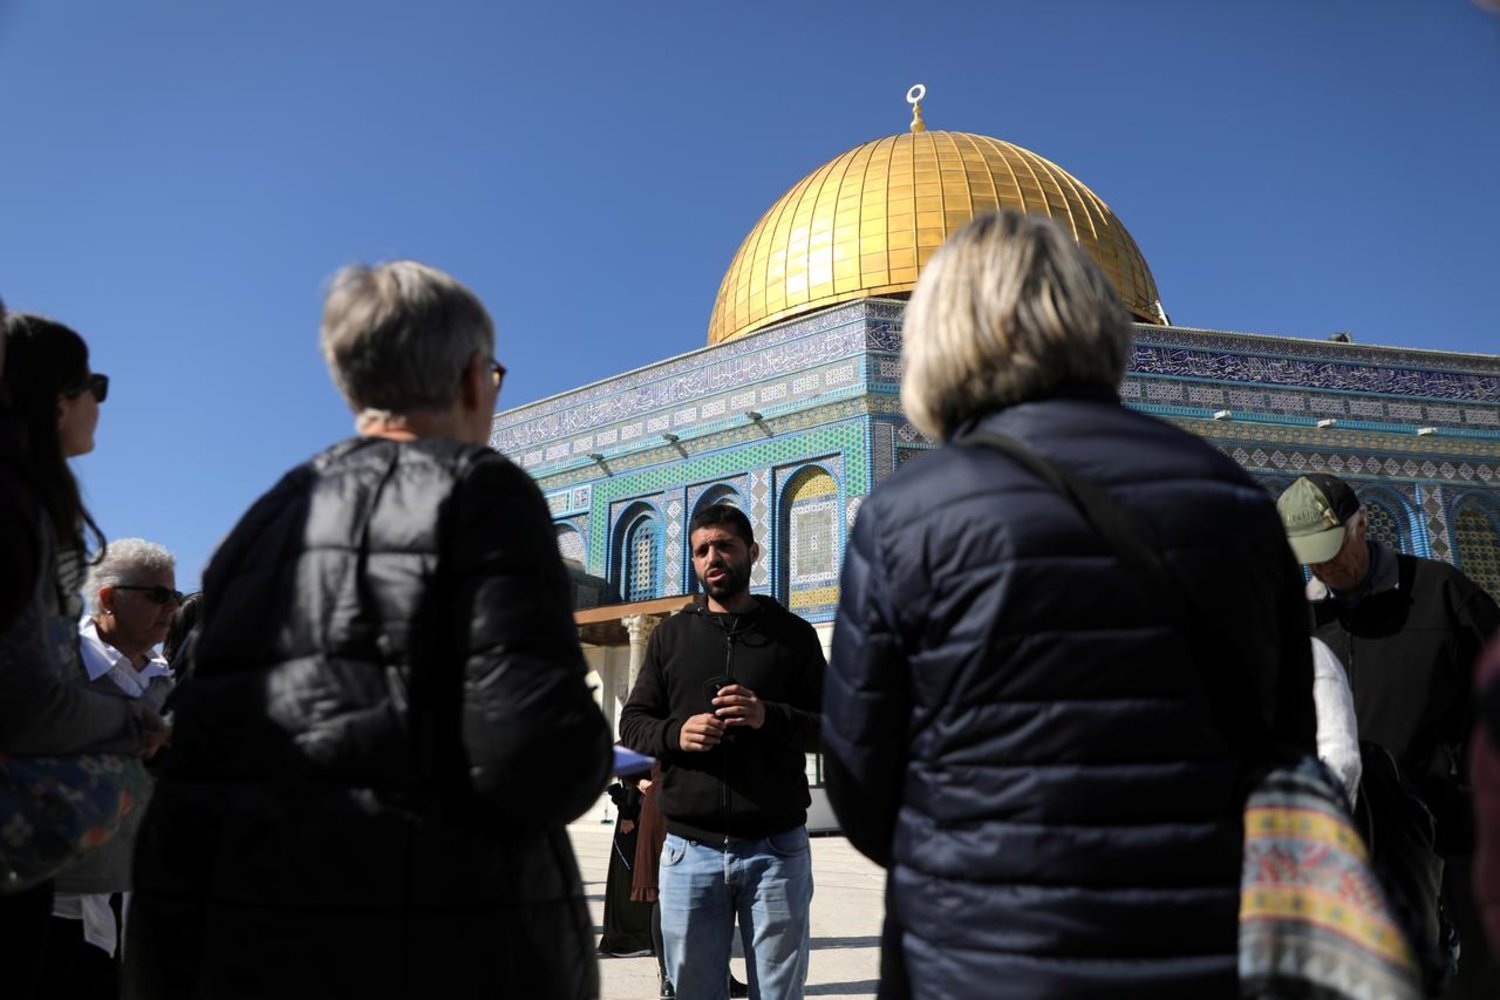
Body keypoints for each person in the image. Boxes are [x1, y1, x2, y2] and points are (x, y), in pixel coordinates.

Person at [824, 210, 1316, 998]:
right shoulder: (1231, 496)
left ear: (938, 338)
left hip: (982, 956)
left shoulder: (907, 514)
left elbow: (860, 781)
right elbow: (1286, 735)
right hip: (1204, 951)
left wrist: (972, 856)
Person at [124, 260, 613, 1000]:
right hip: (448, 943)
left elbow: (193, 771)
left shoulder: (263, 522)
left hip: (266, 944)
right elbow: (532, 760)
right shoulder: (481, 489)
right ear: (476, 377)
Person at [1277, 472, 1500, 996]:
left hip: (1458, 831)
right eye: (1309, 556)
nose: (1324, 566)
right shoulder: (1301, 621)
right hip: (1364, 844)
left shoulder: (1441, 594)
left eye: (1332, 549)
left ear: (1362, 524)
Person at [0, 313, 163, 1000]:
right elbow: (25, 700)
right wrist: (137, 726)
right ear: (56, 398)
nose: (169, 609)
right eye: (93, 383)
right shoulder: (15, 513)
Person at [619, 503, 825, 1000]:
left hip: (775, 850)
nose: (713, 557)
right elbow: (633, 725)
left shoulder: (793, 637)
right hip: (690, 850)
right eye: (701, 550)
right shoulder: (671, 637)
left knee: (778, 992)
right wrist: (676, 735)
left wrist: (767, 716)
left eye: (724, 546)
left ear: (752, 552)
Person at [38, 539, 180, 999]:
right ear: (106, 599)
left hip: (132, 896)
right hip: (52, 897)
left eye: (175, 597)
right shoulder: (56, 662)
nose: (170, 608)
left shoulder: (168, 679)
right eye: (157, 596)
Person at [597, 773, 654, 957]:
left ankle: (634, 936)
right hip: (637, 809)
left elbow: (636, 776)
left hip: (636, 813)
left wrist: (628, 813)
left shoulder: (637, 746)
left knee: (631, 874)